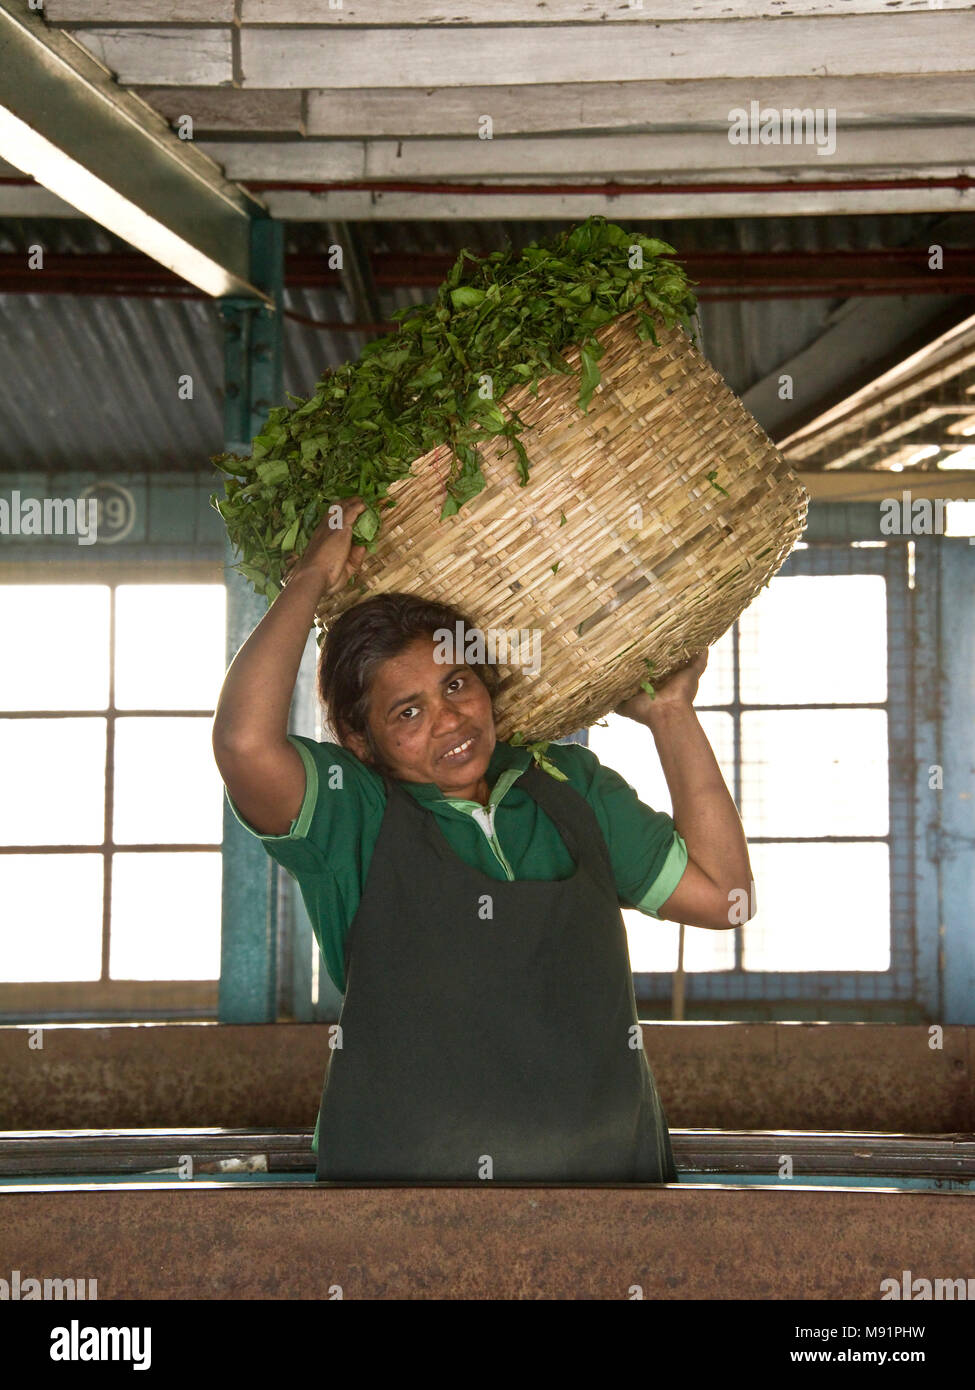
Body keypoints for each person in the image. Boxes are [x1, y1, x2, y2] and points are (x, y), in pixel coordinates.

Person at [212, 498, 755, 1183]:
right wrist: (311, 577)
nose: (448, 721)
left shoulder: (565, 785)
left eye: (456, 685)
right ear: (359, 740)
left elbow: (724, 898)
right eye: (407, 712)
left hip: (608, 1186)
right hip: (401, 1197)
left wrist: (672, 715)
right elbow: (242, 742)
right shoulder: (353, 812)